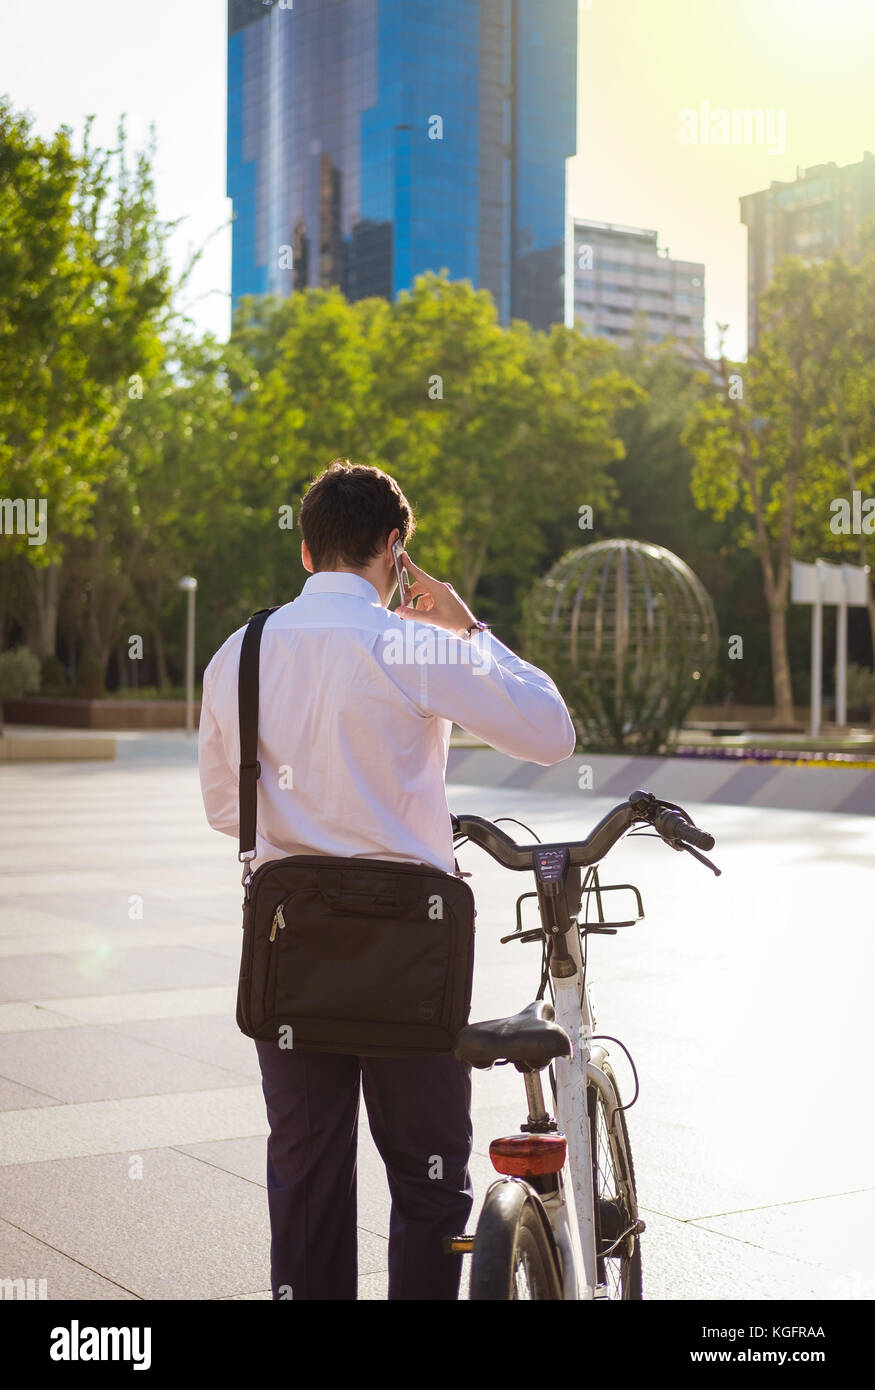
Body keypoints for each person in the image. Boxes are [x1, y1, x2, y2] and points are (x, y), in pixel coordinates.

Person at [198, 458, 576, 1300]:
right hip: (410, 949)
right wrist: (467, 625)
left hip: (290, 946)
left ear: (305, 552)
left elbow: (230, 814)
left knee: (305, 1175)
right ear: (395, 549)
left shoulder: (239, 650)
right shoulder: (411, 639)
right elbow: (551, 733)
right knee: (428, 1181)